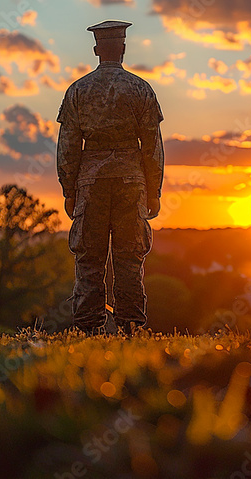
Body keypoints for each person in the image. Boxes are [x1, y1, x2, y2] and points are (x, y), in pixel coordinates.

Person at [56, 20, 164, 335]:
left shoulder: (77, 90)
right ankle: (130, 326)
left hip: (90, 183)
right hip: (132, 181)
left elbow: (69, 147)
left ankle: (88, 327)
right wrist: (154, 190)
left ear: (96, 50)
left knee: (89, 257)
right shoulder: (142, 89)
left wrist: (69, 189)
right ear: (124, 48)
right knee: (130, 257)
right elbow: (152, 146)